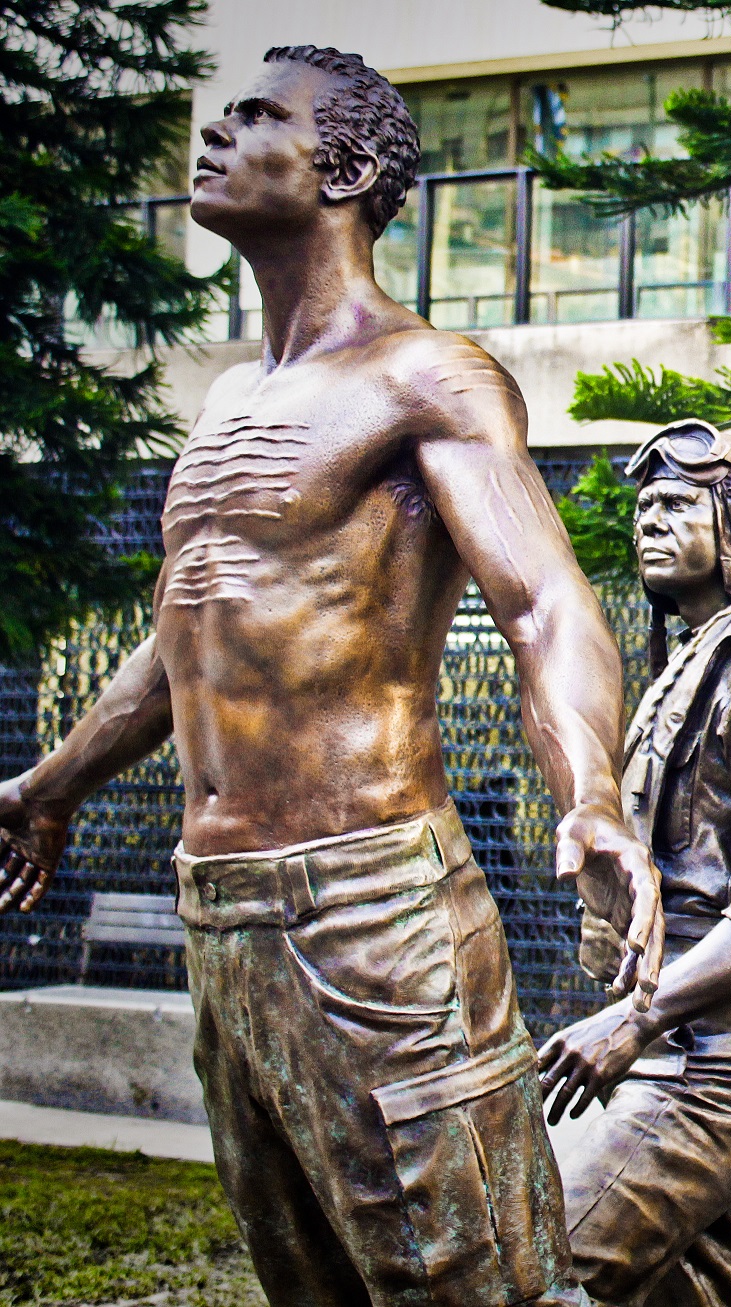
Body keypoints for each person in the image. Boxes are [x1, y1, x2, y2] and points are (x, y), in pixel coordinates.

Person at [0, 47, 660, 1307]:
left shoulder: (425, 377)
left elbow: (543, 602)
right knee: (310, 1282)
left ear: (344, 167)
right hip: (222, 913)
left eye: (256, 117)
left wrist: (592, 789)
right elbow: (184, 642)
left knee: (484, 1288)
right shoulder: (234, 401)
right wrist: (51, 781)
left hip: (368, 904)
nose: (214, 133)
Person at [538, 422, 731, 1307]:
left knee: (535, 1263)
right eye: (644, 505)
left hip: (716, 1069)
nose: (650, 521)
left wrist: (635, 1020)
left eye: (677, 503)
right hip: (678, 1050)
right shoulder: (693, 663)